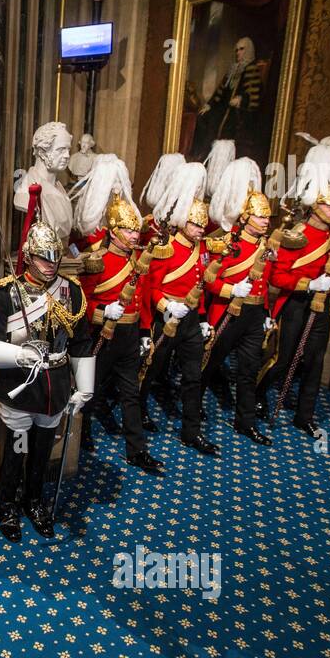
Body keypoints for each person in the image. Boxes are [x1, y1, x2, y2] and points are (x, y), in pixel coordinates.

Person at [0, 184, 93, 542]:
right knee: (16, 452)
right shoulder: (5, 292)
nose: (50, 265)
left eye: (54, 258)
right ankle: (8, 507)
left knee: (43, 453)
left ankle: (34, 502)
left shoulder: (71, 291)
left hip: (55, 389)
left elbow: (81, 341)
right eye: (43, 258)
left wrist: (85, 384)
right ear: (28, 256)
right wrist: (19, 354)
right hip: (21, 389)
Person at [255, 145, 330, 435]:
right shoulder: (296, 236)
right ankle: (259, 394)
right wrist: (308, 284)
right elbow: (276, 276)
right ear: (315, 205)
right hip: (295, 305)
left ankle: (305, 414)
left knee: (314, 362)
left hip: (322, 306)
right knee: (282, 358)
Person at [75, 155, 163, 473]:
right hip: (103, 334)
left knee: (131, 393)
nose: (134, 236)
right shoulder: (96, 260)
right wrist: (101, 312)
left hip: (128, 334)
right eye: (127, 231)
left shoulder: (139, 259)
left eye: (135, 230)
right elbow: (82, 304)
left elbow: (144, 298)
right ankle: (78, 439)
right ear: (113, 232)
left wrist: (143, 332)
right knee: (89, 389)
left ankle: (136, 449)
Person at [138, 162, 219, 454]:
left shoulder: (203, 249)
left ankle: (191, 431)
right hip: (166, 319)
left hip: (191, 322)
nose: (199, 230)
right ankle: (140, 411)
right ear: (184, 221)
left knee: (193, 376)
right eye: (195, 224)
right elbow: (151, 288)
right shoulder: (166, 247)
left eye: (201, 225)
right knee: (152, 369)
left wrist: (204, 318)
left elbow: (202, 286)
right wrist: (166, 306)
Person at [201, 157, 276, 446]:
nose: (266, 221)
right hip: (227, 311)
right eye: (260, 217)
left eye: (268, 217)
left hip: (255, 314)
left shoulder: (266, 246)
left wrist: (267, 311)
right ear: (245, 217)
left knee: (248, 369)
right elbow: (209, 280)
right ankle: (192, 413)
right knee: (209, 364)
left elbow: (265, 283)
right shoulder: (227, 243)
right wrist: (231, 291)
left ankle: (245, 422)